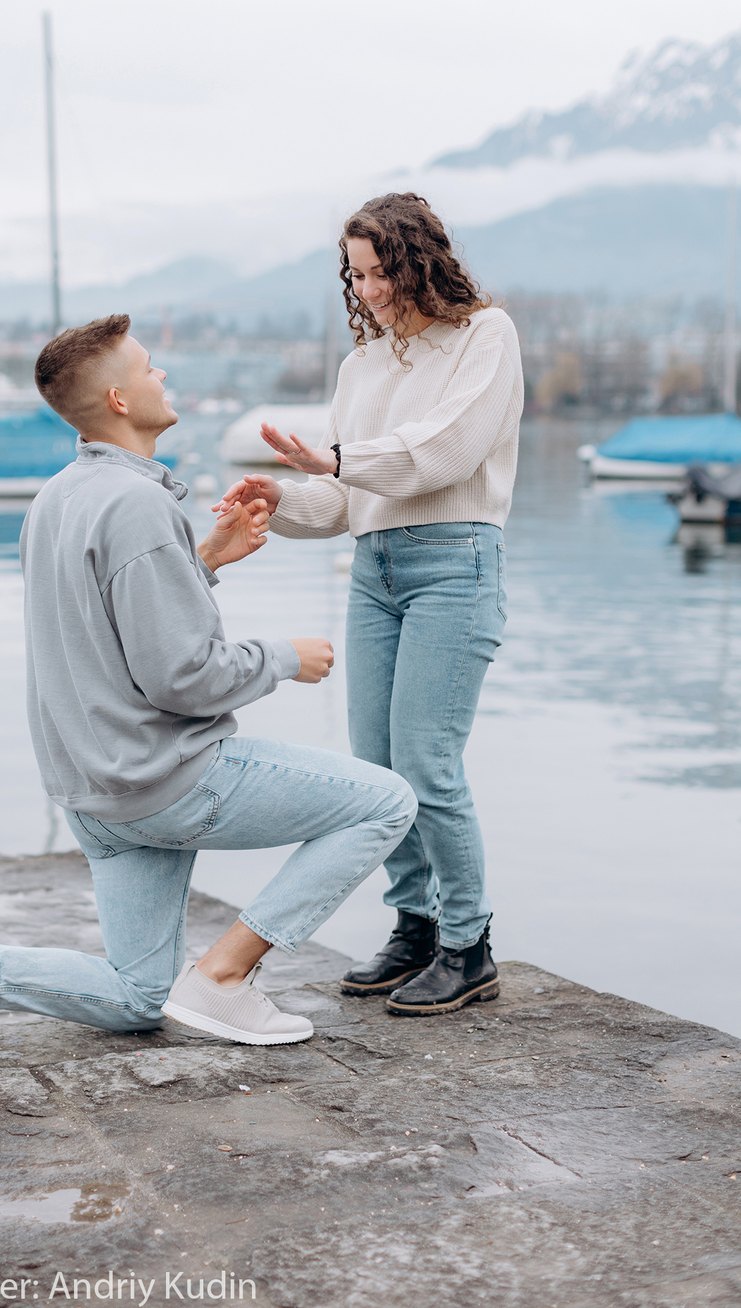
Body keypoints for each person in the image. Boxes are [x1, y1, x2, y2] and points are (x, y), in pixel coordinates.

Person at [0, 313, 417, 1072]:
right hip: (168, 779)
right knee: (386, 801)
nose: (164, 377)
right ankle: (225, 976)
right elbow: (182, 677)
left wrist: (206, 560)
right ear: (120, 400)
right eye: (150, 368)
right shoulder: (140, 504)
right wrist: (284, 657)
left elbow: (104, 630)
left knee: (134, 998)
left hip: (97, 792)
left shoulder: (56, 500)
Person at [219, 193, 523, 1018]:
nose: (371, 290)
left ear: (422, 259)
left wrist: (338, 459)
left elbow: (446, 454)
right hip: (374, 570)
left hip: (455, 563)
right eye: (357, 276)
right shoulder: (362, 367)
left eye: (382, 271)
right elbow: (346, 504)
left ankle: (469, 946)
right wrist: (276, 499)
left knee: (428, 762)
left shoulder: (484, 338)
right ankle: (415, 928)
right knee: (378, 768)